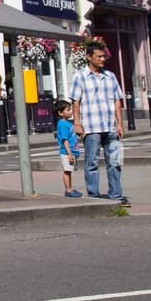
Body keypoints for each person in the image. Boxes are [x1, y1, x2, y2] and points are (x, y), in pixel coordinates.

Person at [69, 43, 128, 206]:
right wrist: (77, 124)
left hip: (110, 127)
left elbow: (117, 101)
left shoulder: (110, 76)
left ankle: (116, 194)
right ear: (89, 57)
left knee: (115, 161)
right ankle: (93, 196)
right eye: (99, 56)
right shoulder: (79, 76)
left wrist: (120, 124)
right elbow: (75, 102)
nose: (103, 59)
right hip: (91, 127)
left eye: (104, 56)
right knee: (91, 163)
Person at [54, 100, 82, 198]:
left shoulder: (67, 124)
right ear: (60, 113)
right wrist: (69, 154)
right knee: (67, 171)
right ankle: (68, 190)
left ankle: (70, 189)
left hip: (71, 151)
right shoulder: (62, 124)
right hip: (66, 152)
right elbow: (65, 140)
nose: (70, 112)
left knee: (69, 170)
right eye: (68, 110)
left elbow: (71, 135)